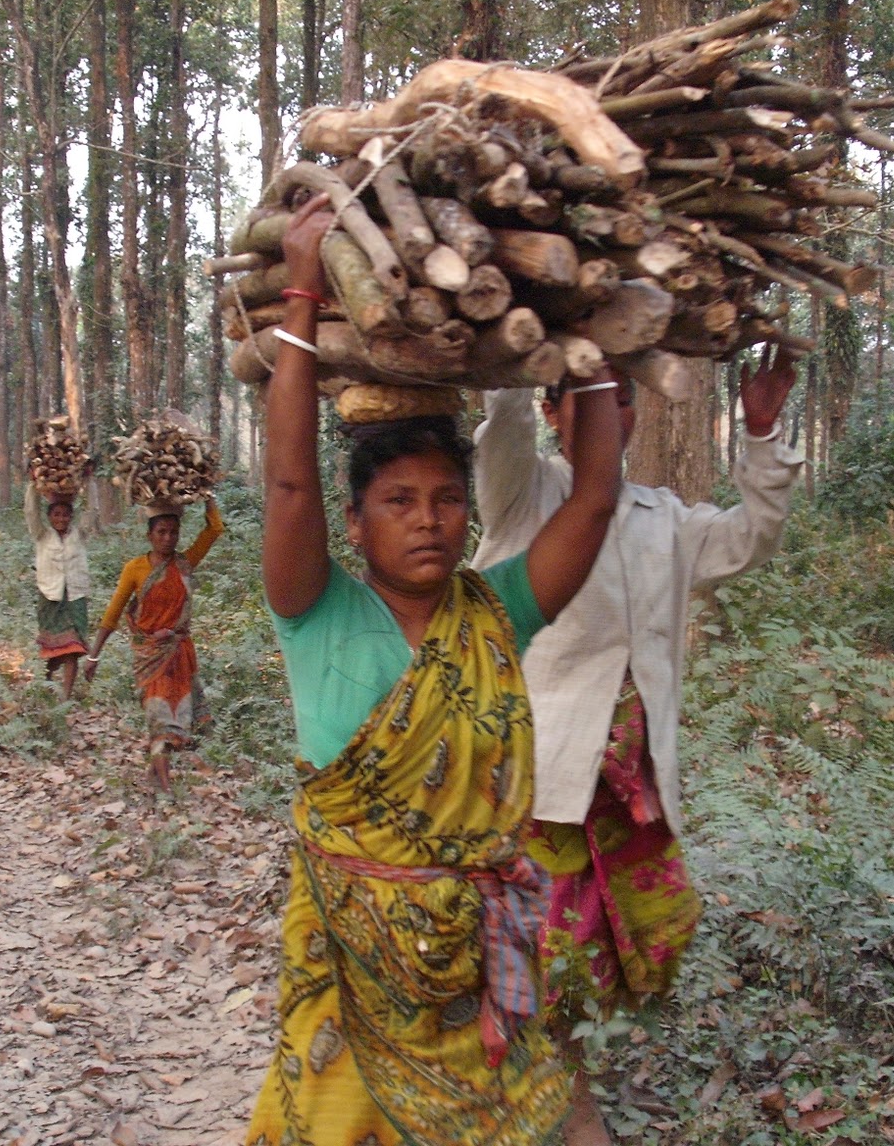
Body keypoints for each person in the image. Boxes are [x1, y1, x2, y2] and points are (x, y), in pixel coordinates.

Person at [244, 192, 624, 1146]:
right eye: (400, 500)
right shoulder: (316, 609)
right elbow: (288, 484)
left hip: (476, 965)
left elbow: (595, 499)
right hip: (353, 960)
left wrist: (586, 333)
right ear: (358, 517)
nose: (428, 518)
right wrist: (299, 294)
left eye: (448, 498)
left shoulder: (497, 611)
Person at [471, 353, 801, 1145]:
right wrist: (525, 348)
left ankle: (556, 1082)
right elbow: (502, 427)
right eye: (586, 398)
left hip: (626, 793)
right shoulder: (526, 496)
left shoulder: (666, 519)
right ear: (554, 414)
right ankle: (547, 1103)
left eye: (620, 399)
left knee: (634, 939)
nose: (608, 412)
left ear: (634, 416)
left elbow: (749, 538)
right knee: (536, 956)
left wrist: (762, 432)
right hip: (539, 787)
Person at [83, 496, 224, 793]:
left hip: (180, 655)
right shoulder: (134, 569)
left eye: (173, 532)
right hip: (149, 656)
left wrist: (206, 496)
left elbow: (214, 530)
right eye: (161, 532)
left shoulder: (185, 563)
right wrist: (93, 656)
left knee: (176, 718)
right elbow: (113, 613)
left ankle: (157, 774)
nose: (167, 538)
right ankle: (164, 785)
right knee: (159, 716)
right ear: (149, 535)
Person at [25, 484, 94, 701]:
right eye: (56, 514)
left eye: (65, 515)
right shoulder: (42, 535)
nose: (61, 519)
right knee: (52, 649)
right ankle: (46, 685)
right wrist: (33, 485)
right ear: (49, 516)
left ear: (71, 516)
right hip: (50, 597)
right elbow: (30, 511)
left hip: (75, 597)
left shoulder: (79, 534)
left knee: (73, 647)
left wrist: (89, 481)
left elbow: (92, 510)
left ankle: (65, 696)